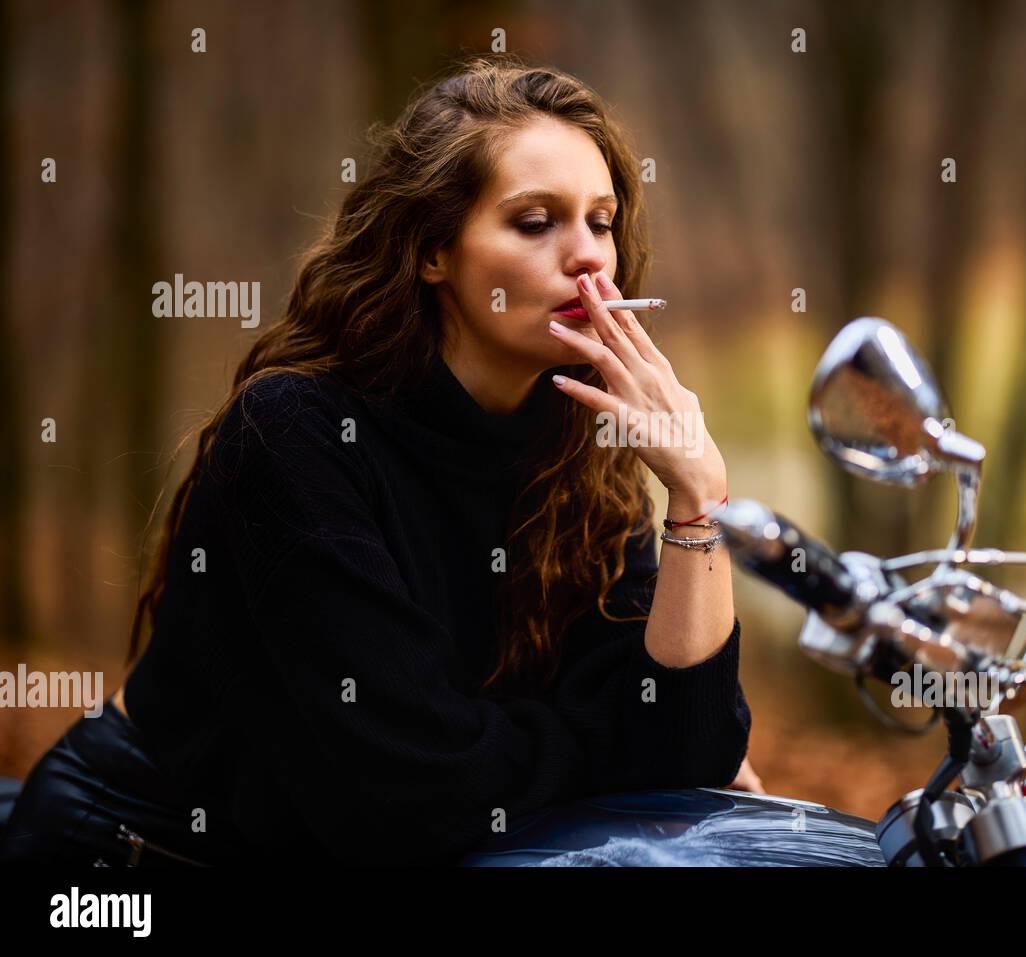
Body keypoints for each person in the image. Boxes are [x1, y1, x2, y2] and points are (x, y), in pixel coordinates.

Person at [0, 55, 762, 867]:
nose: (588, 258)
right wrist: (610, 744)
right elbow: (414, 794)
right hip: (131, 857)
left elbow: (689, 756)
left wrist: (696, 495)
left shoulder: (584, 442)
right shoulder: (295, 433)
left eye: (601, 221)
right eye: (535, 222)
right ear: (433, 251)